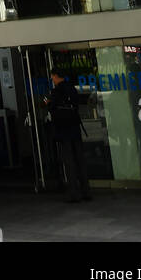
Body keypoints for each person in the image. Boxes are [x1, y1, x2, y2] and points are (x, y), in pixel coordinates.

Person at [44, 69, 91, 204]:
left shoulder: (56, 91)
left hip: (64, 129)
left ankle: (73, 193)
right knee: (80, 159)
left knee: (69, 161)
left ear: (56, 76)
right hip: (74, 127)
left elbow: (52, 108)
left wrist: (49, 104)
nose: (52, 79)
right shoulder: (72, 89)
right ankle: (86, 191)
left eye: (52, 76)